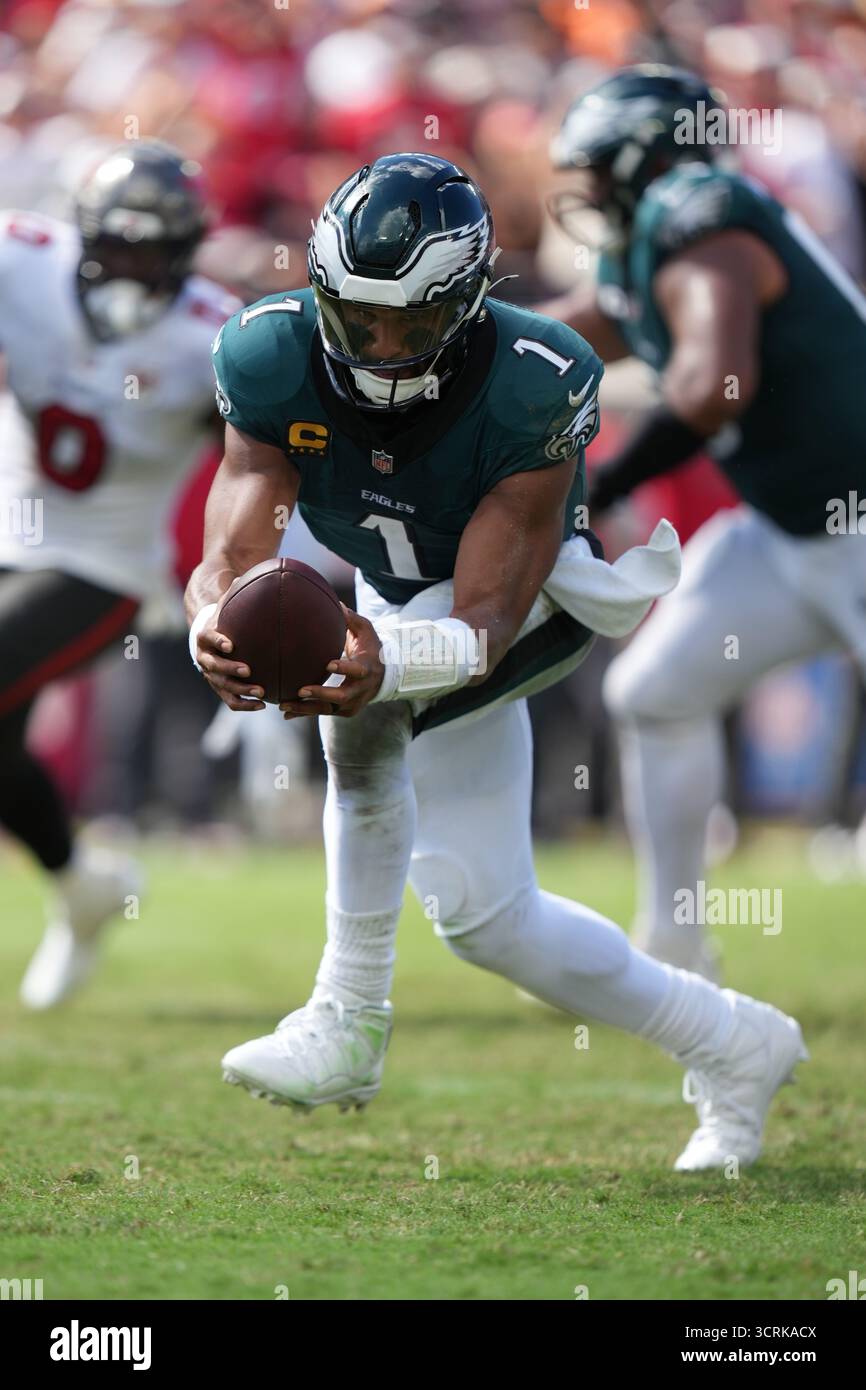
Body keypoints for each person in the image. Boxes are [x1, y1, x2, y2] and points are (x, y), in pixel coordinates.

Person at [187, 153, 806, 1171]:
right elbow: (230, 558)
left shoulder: (532, 379)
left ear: (467, 305)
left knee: (365, 711)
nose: (381, 349)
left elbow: (477, 624)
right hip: (391, 600)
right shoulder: (267, 353)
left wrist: (382, 656)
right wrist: (215, 622)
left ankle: (346, 1015)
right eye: (359, 319)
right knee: (488, 920)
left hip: (525, 601)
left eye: (410, 324)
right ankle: (734, 1041)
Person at [544, 65, 866, 976]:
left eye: (600, 167)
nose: (589, 190)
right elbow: (563, 335)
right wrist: (452, 344)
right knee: (654, 693)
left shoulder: (703, 208)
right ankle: (674, 947)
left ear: (648, 158)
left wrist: (601, 485)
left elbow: (714, 386)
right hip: (791, 530)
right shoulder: (647, 244)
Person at [0, 140, 238, 1008]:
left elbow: (263, 471)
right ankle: (83, 887)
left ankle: (81, 887)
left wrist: (256, 586)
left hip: (104, 565)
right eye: (121, 244)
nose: (135, 266)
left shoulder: (215, 333)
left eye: (155, 249)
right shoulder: (21, 262)